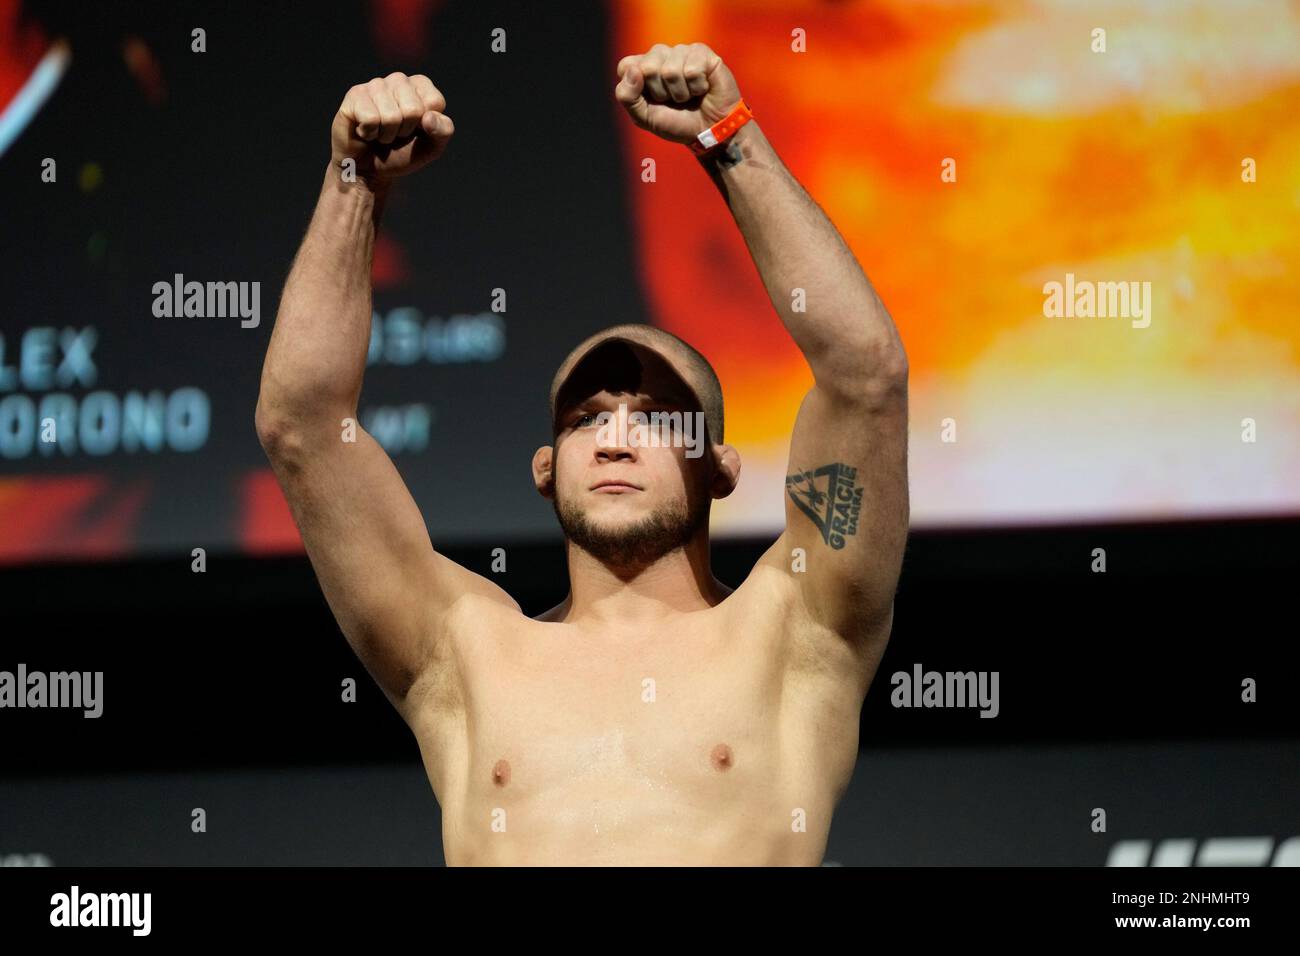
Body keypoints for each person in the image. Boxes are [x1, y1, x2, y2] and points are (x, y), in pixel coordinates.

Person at [255, 42, 909, 865]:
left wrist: (728, 136)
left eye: (660, 416)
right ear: (545, 469)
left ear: (721, 468)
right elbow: (302, 426)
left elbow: (865, 375)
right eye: (585, 419)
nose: (617, 435)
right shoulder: (462, 650)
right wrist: (355, 183)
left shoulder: (797, 629)